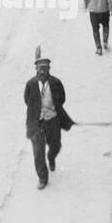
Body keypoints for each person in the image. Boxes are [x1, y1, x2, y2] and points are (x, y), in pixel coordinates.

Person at [24, 47, 74, 190]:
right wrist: (38, 112)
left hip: (52, 120)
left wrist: (51, 109)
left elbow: (62, 99)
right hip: (36, 123)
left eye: (45, 69)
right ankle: (43, 178)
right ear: (36, 70)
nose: (42, 72)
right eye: (39, 69)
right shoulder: (30, 84)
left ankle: (51, 158)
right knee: (38, 153)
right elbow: (27, 100)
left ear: (49, 69)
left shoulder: (56, 83)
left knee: (56, 146)